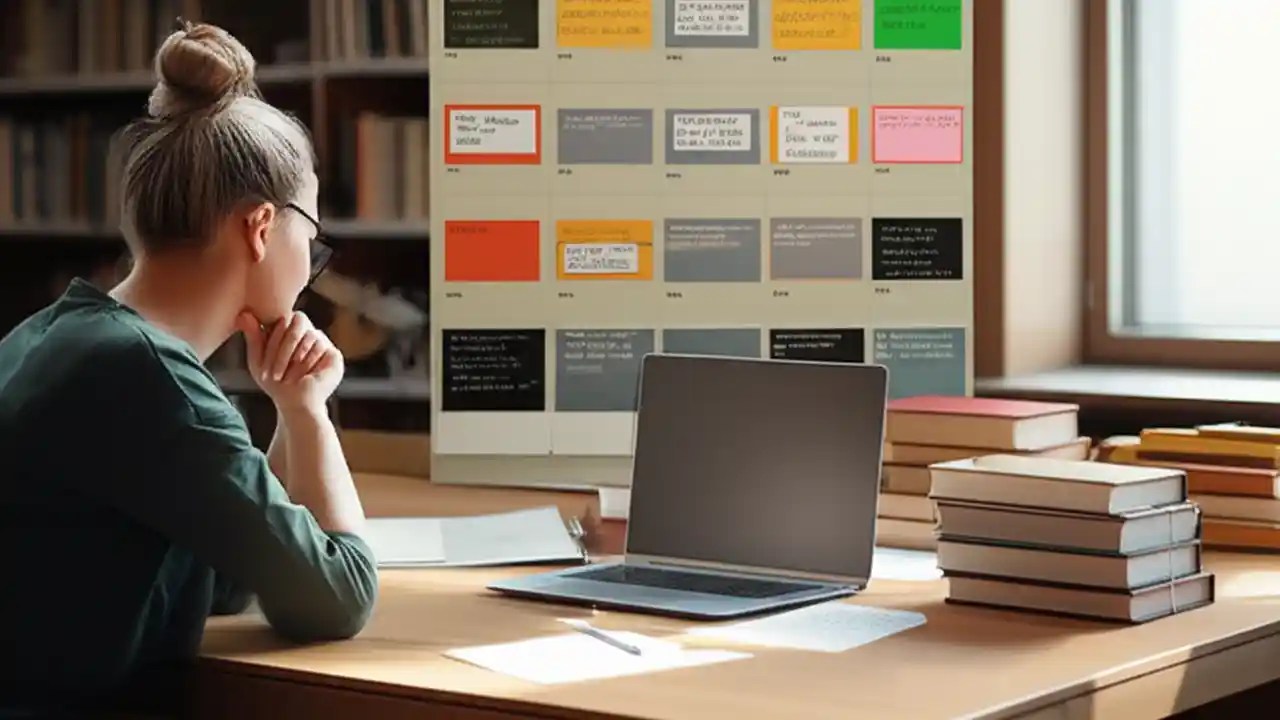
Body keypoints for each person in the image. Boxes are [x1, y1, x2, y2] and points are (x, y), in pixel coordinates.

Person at [0, 22, 378, 718]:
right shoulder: (151, 382)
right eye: (312, 239)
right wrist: (310, 414)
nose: (311, 267)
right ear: (262, 227)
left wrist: (290, 406)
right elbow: (339, 596)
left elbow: (234, 572)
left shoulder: (55, 336)